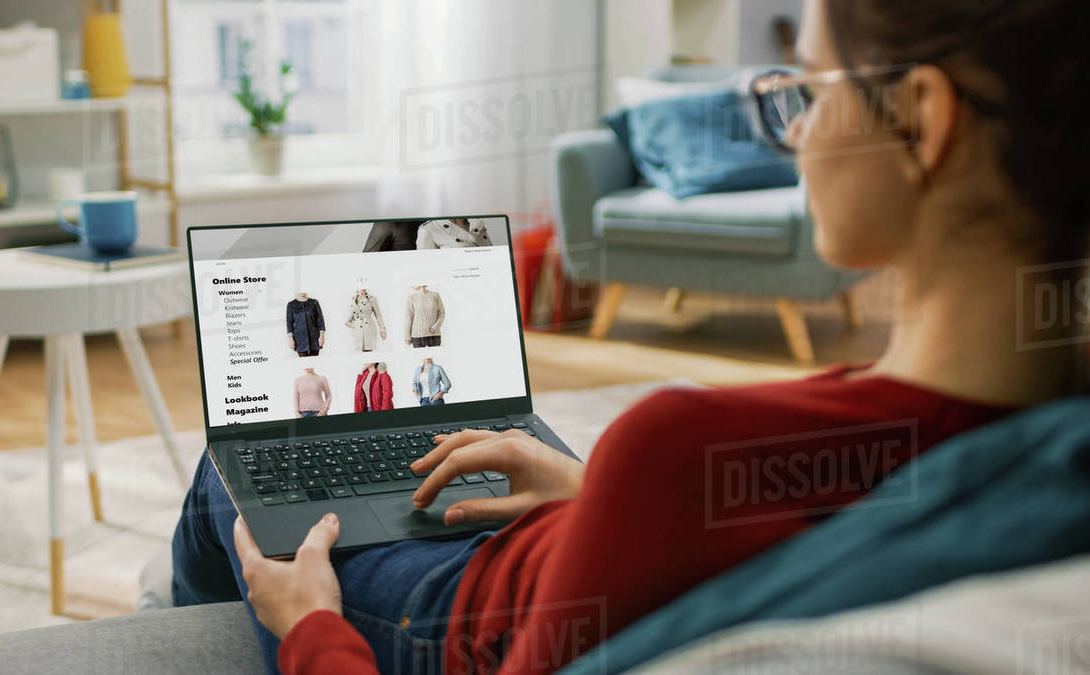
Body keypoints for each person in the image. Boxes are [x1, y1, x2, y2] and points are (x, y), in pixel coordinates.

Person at [172, 1, 1090, 673]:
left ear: (921, 119)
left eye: (805, 91)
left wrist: (309, 630)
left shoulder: (679, 445)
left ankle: (174, 637)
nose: (798, 133)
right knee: (461, 441)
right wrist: (595, 493)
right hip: (572, 541)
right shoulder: (1046, 441)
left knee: (236, 464)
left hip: (451, 619)